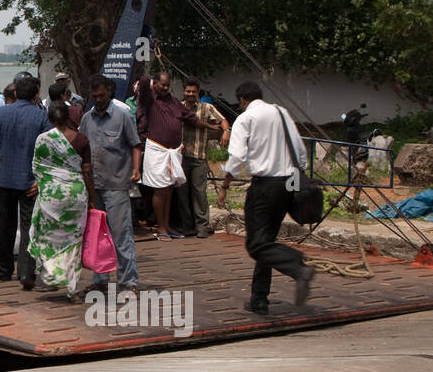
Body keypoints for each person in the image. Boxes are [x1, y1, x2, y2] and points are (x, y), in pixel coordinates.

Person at [216, 81, 316, 315]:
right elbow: (301, 153)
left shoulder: (245, 118)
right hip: (287, 184)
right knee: (266, 241)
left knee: (256, 245)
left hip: (264, 186)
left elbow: (237, 156)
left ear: (242, 101)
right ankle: (259, 298)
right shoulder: (281, 112)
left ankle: (298, 267)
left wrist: (225, 186)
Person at [0, 75, 50, 287]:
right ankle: (26, 273)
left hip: (2, 178)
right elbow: (49, 150)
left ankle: (3, 270)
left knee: (4, 225)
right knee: (29, 228)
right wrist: (42, 179)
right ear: (36, 95)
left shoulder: (0, 112)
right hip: (30, 181)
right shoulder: (40, 117)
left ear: (16, 93)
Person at [79, 75, 143, 293]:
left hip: (117, 185)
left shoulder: (123, 115)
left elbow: (135, 145)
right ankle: (100, 280)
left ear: (109, 93)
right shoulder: (87, 119)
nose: (98, 99)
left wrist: (136, 169)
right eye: (94, 96)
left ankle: (128, 282)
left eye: (102, 95)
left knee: (120, 236)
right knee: (97, 236)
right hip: (93, 188)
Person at [30, 103, 97, 297]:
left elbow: (37, 168)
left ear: (49, 119)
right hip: (76, 196)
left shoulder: (43, 140)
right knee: (73, 241)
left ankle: (49, 276)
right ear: (68, 117)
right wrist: (91, 197)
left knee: (48, 239)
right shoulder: (82, 140)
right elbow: (87, 172)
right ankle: (72, 288)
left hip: (51, 197)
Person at [134, 72, 198, 241]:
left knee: (169, 189)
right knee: (160, 190)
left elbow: (189, 117)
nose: (165, 88)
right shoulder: (149, 100)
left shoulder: (173, 101)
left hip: (173, 151)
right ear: (154, 84)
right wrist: (149, 76)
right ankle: (161, 227)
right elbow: (143, 82)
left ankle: (167, 225)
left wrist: (216, 126)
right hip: (157, 150)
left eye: (168, 85)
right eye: (162, 84)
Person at [176, 76, 229, 237]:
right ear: (184, 92)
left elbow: (223, 120)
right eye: (188, 91)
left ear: (198, 92)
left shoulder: (206, 108)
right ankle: (187, 226)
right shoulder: (178, 107)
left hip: (199, 157)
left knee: (199, 192)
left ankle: (202, 227)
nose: (191, 94)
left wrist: (226, 131)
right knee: (182, 193)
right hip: (181, 157)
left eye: (193, 91)